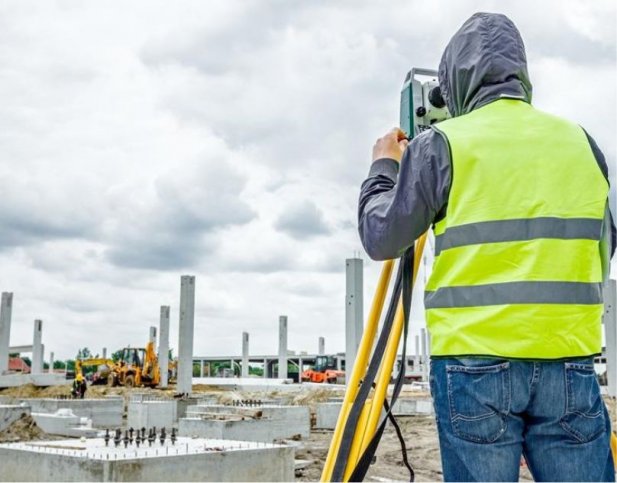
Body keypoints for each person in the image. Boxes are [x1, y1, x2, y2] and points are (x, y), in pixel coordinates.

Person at [358, 12, 615, 482]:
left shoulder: (442, 144)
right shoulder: (583, 143)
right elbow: (603, 250)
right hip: (569, 361)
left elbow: (382, 237)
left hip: (474, 365)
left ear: (454, 79)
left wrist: (384, 168)